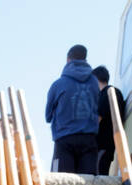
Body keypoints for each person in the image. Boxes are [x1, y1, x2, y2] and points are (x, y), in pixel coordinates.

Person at [44, 44, 100, 174]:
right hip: (89, 140)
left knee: (61, 184)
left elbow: (47, 116)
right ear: (85, 60)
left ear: (68, 59)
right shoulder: (94, 82)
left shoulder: (58, 84)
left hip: (64, 141)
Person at [94, 65, 124, 176]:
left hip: (102, 146)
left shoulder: (105, 93)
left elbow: (97, 120)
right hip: (110, 146)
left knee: (98, 177)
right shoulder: (116, 92)